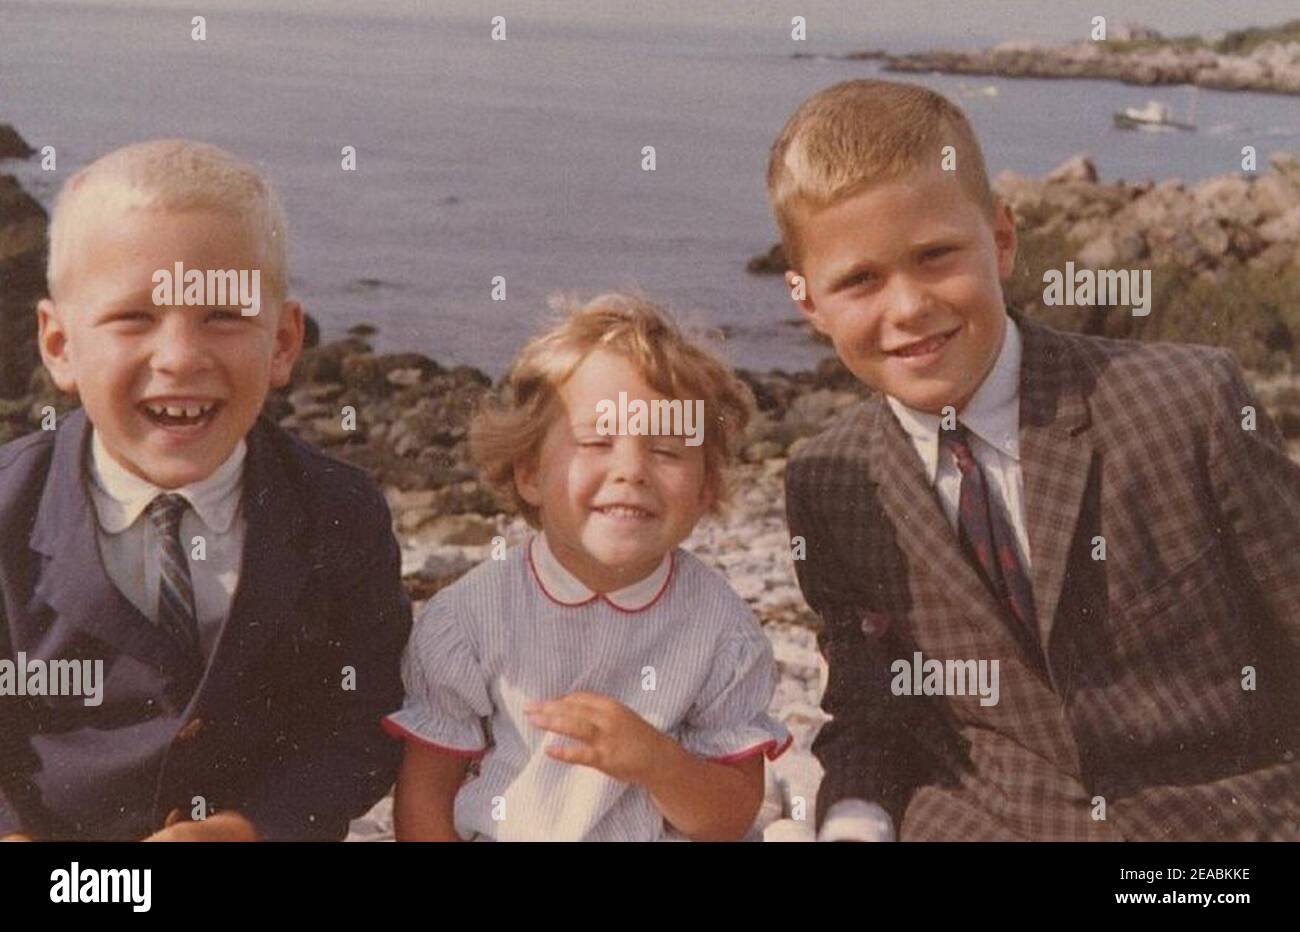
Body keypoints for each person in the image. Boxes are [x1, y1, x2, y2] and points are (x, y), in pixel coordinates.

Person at [768, 79, 1300, 841]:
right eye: (860, 280)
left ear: (1003, 239)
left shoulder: (1187, 403)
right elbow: (871, 710)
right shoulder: (829, 482)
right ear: (809, 301)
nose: (909, 306)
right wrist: (854, 821)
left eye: (935, 256)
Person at [0, 139, 410, 840]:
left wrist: (251, 826)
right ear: (59, 343)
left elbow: (364, 720)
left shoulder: (340, 511)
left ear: (284, 342)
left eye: (222, 315)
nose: (181, 356)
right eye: (134, 316)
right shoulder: (8, 509)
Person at [384, 292, 791, 840]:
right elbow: (426, 793)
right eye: (596, 441)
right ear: (529, 472)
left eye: (667, 450)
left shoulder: (721, 630)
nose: (631, 470)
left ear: (705, 488)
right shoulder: (470, 619)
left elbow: (729, 816)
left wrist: (656, 761)